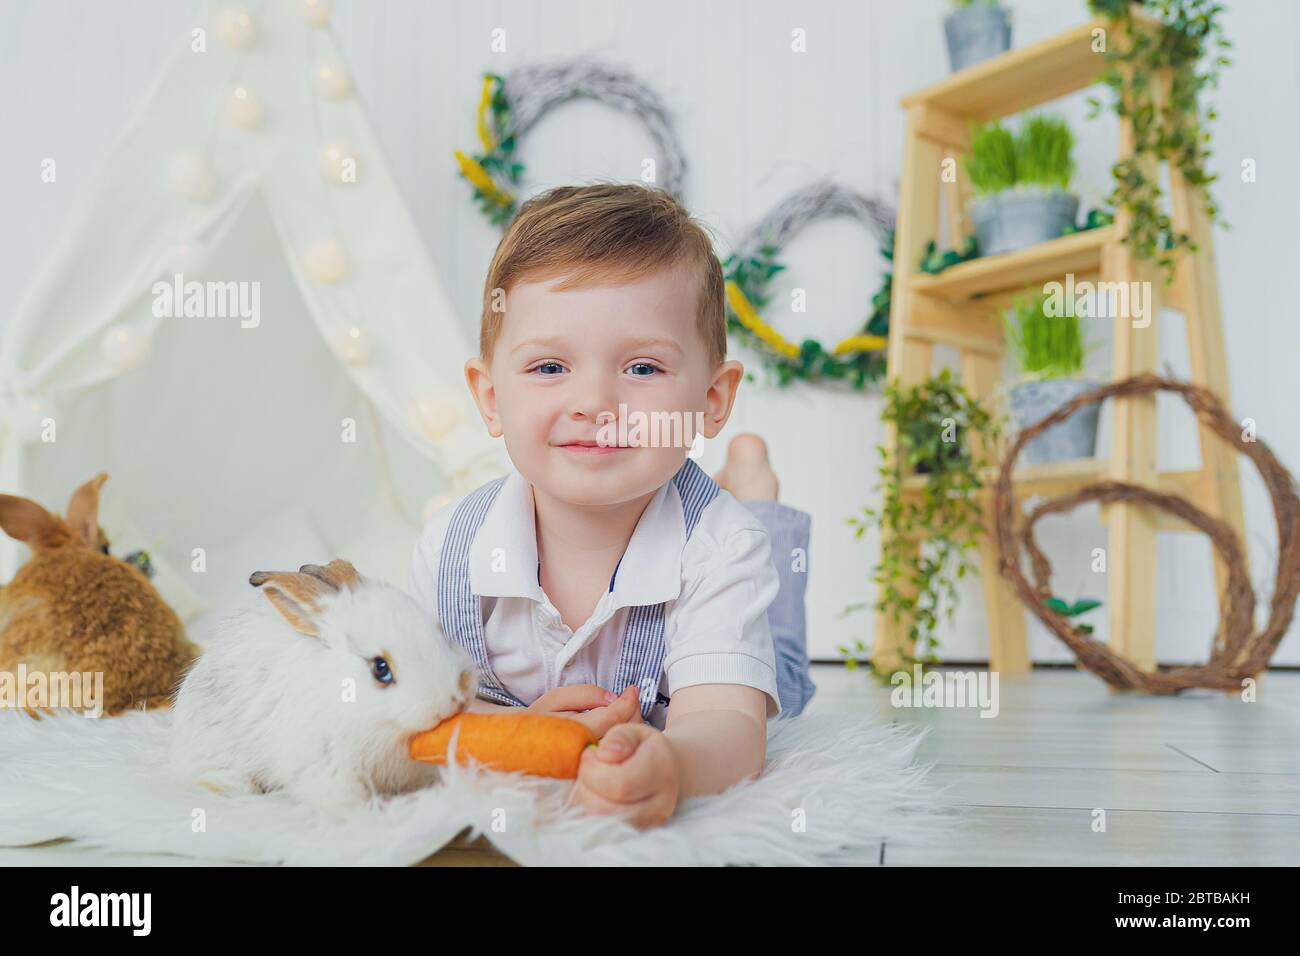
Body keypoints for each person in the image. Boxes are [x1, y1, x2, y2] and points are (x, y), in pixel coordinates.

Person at [409, 183, 814, 828]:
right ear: (489, 398)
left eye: (643, 369)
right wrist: (524, 732)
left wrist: (672, 765)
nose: (595, 402)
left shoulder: (721, 548)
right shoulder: (450, 549)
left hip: (730, 595)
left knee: (783, 668)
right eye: (548, 367)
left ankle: (756, 493)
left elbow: (728, 724)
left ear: (711, 400)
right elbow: (426, 718)